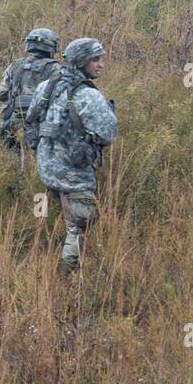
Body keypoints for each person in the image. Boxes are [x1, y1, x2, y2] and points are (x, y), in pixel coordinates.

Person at [26, 37, 118, 276]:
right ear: (81, 62)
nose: (100, 65)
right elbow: (109, 133)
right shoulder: (87, 95)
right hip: (73, 172)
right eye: (95, 60)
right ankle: (67, 276)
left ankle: (55, 256)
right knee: (81, 224)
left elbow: (32, 119)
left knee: (67, 217)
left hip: (46, 166)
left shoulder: (46, 86)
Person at [0, 28, 62, 150]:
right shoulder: (55, 68)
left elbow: (1, 94)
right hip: (41, 123)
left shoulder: (15, 65)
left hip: (13, 121)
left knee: (13, 158)